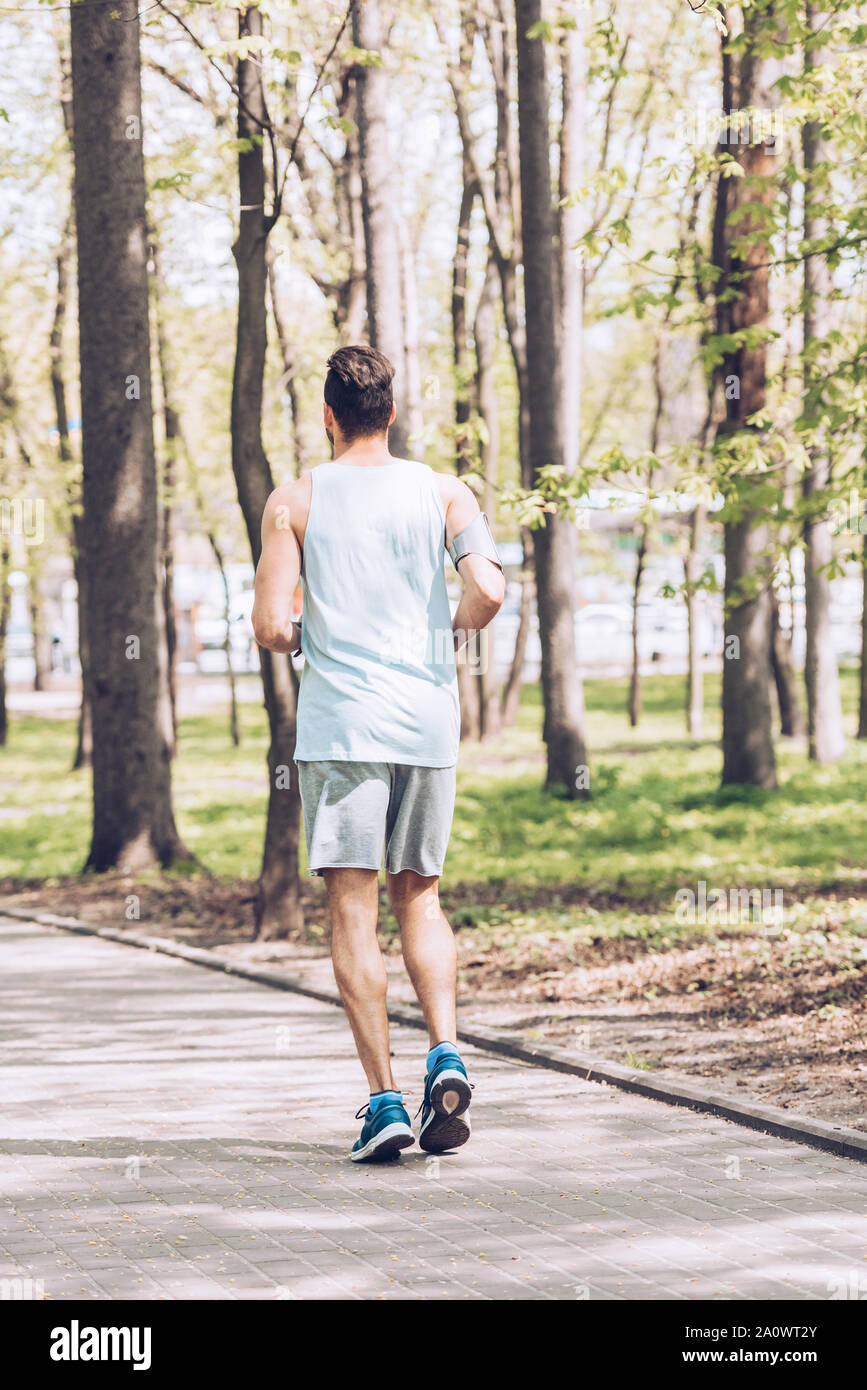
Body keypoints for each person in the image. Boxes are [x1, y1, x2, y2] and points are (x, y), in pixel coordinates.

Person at [252, 345, 505, 1161]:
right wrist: (454, 625)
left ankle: (384, 1104)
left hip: (344, 728)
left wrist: (305, 629)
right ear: (389, 413)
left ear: (328, 416)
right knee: (420, 899)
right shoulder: (443, 492)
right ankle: (447, 1051)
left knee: (352, 910)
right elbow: (492, 587)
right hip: (425, 725)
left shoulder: (294, 501)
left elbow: (268, 627)